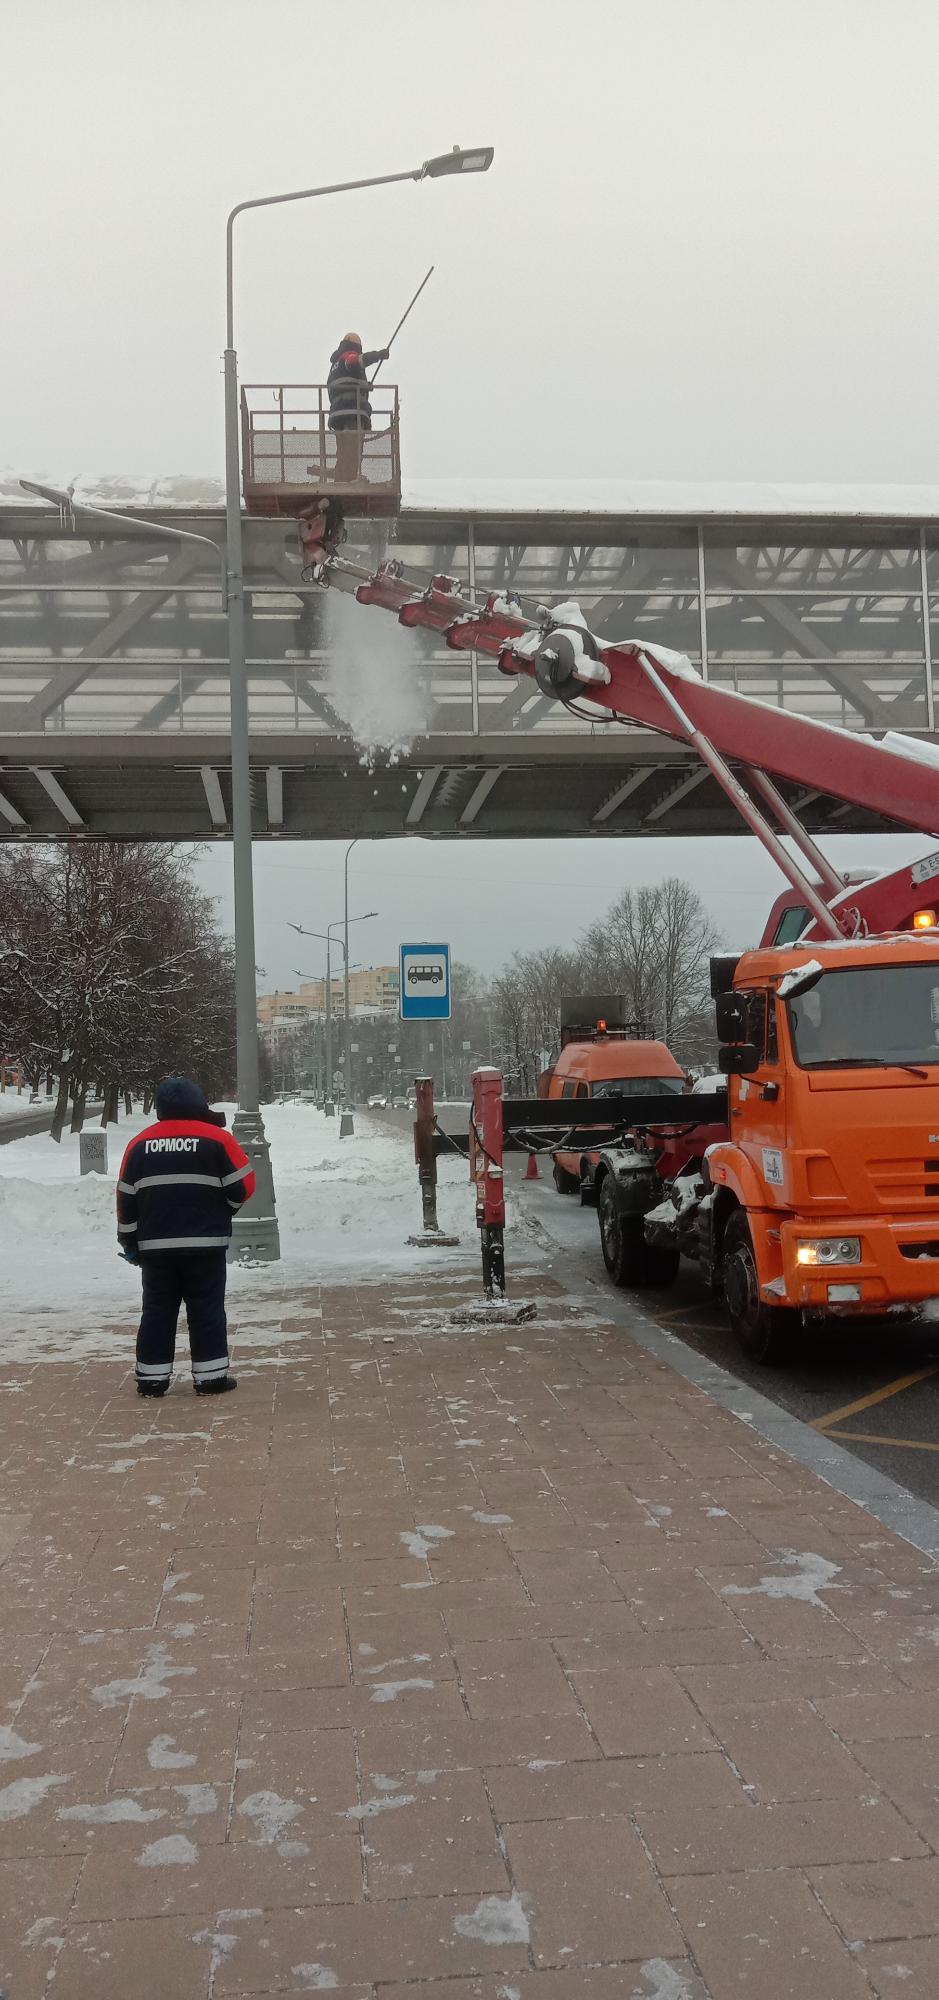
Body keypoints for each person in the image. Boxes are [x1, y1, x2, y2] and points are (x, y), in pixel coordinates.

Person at [116, 1076, 255, 1399]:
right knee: (206, 1309)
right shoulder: (217, 1139)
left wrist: (130, 1241)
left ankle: (152, 1379)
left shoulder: (139, 1144)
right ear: (198, 1104)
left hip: (156, 1248)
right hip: (205, 1246)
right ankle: (210, 1378)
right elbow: (244, 1186)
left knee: (157, 1310)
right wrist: (224, 1210)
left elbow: (126, 1198)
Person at [327, 331, 389, 483]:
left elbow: (345, 383)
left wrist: (363, 387)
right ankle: (348, 480)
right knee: (353, 451)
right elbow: (355, 362)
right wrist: (378, 355)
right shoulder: (347, 356)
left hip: (338, 415)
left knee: (343, 452)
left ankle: (341, 480)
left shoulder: (335, 365)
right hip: (352, 413)